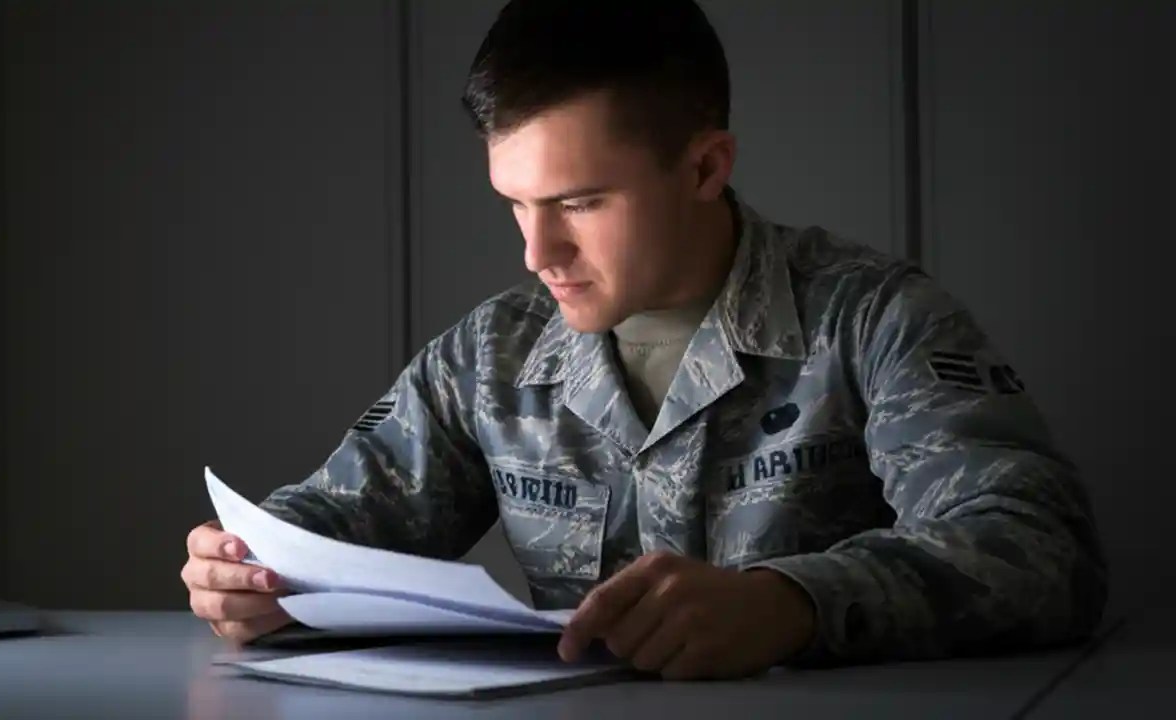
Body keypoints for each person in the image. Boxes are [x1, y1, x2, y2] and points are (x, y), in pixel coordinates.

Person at [181, 0, 1106, 680]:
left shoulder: (873, 322)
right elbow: (341, 521)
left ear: (704, 165)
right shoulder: (490, 357)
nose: (538, 252)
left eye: (579, 203)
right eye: (516, 204)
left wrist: (793, 604)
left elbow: (1038, 549)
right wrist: (253, 571)